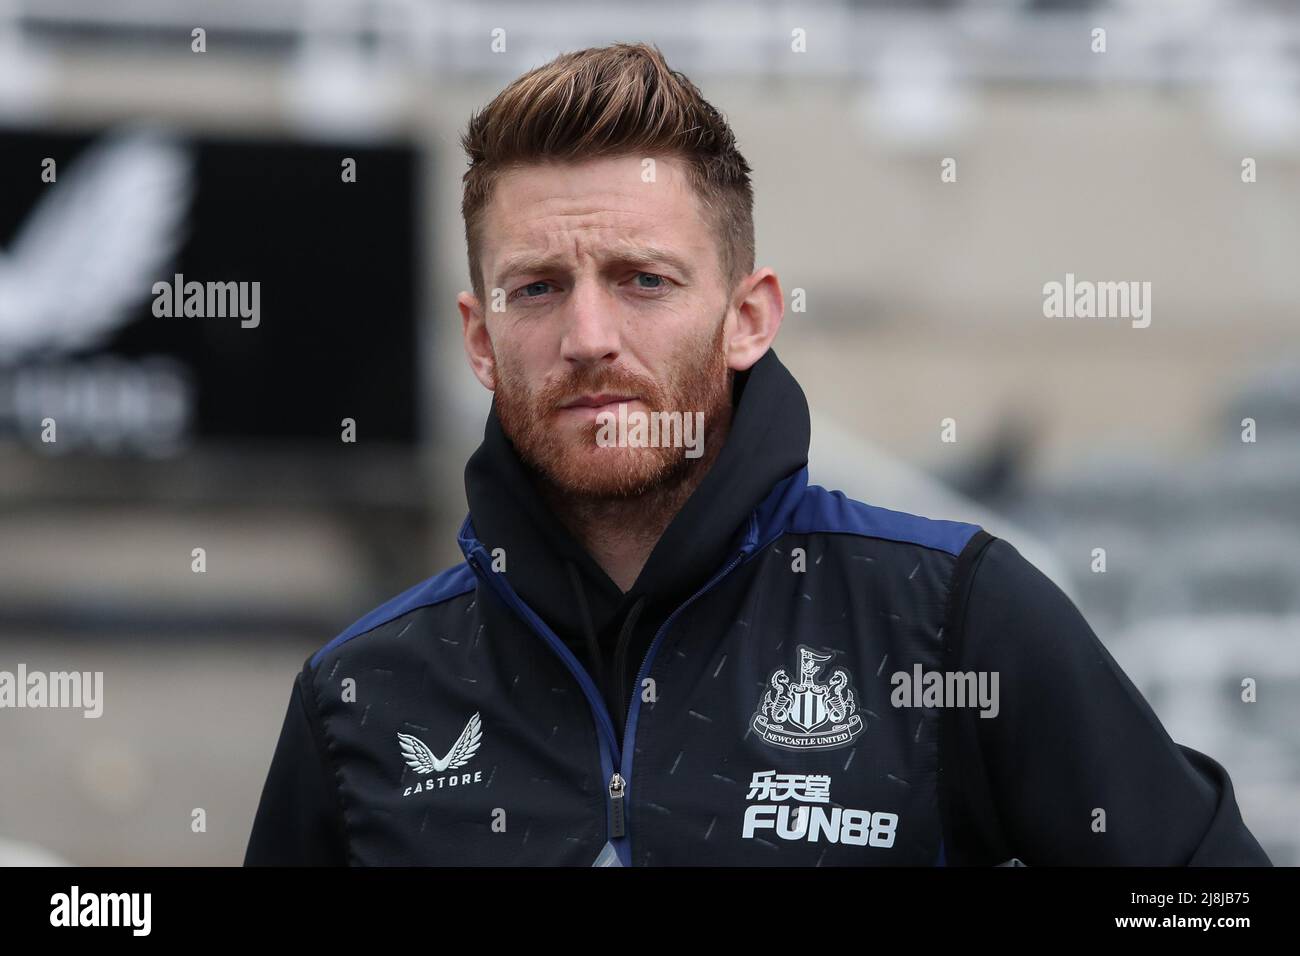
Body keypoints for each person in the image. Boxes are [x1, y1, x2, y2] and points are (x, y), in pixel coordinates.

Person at [244, 42, 1270, 866]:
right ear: (479, 338)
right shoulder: (361, 696)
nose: (589, 334)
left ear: (748, 317)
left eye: (642, 279)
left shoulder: (953, 618)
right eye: (538, 287)